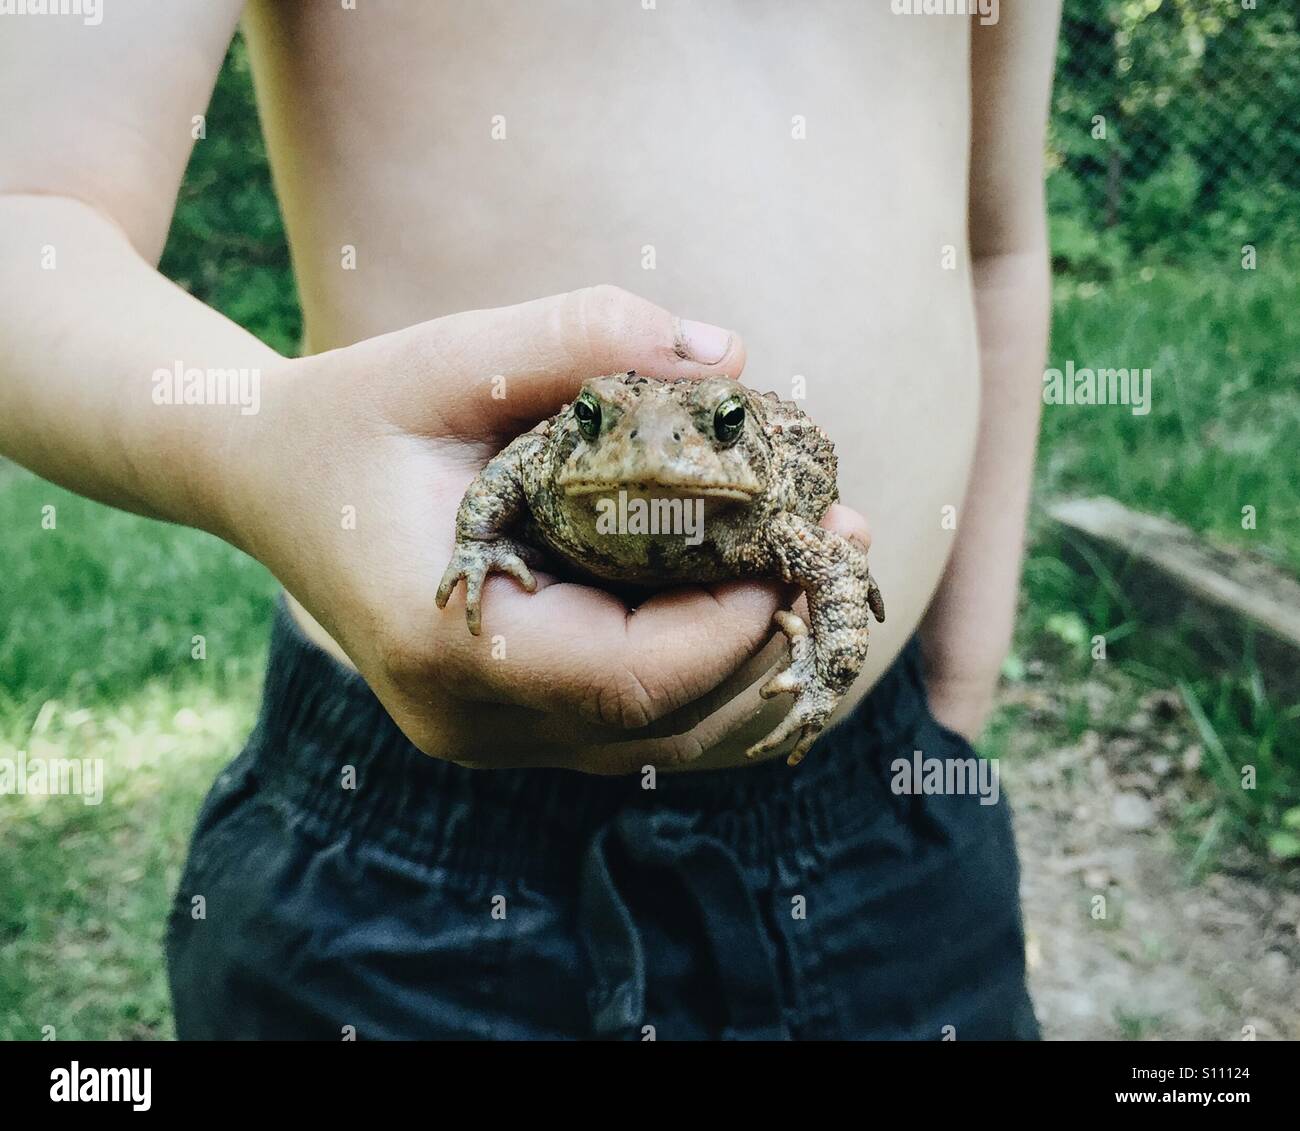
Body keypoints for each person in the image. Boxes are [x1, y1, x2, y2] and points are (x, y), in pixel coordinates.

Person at [0, 0, 1059, 1039]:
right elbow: (26, 211)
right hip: (402, 843)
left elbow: (1000, 245)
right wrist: (267, 447)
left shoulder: (769, 530)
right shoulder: (553, 472)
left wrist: (959, 682)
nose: (665, 459)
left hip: (869, 801)